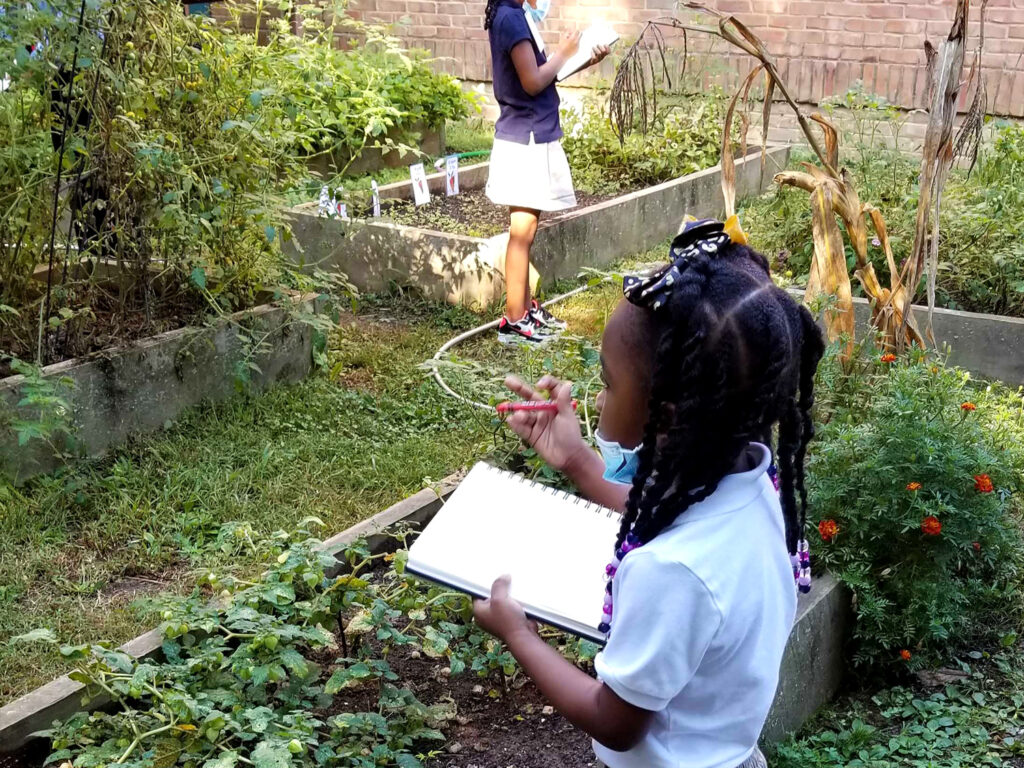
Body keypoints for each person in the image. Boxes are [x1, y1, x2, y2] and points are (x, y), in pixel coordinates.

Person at [474, 219, 826, 768]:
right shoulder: (754, 485)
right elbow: (675, 515)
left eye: (609, 382)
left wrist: (518, 633)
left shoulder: (675, 573)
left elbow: (615, 722)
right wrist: (578, 462)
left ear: (664, 412)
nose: (598, 395)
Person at [483, 0, 609, 344]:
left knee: (528, 229)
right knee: (521, 232)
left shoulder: (515, 14)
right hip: (525, 139)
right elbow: (533, 81)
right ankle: (514, 321)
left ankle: (524, 311)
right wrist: (566, 51)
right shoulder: (510, 19)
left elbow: (543, 71)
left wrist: (582, 57)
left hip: (534, 132)